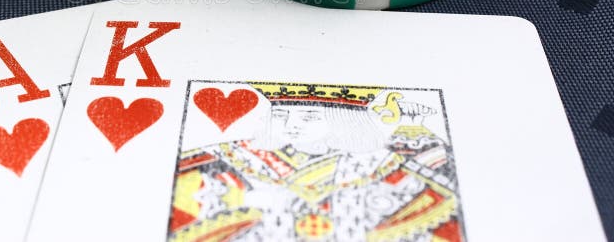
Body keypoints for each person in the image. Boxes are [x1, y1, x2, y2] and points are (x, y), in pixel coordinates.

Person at [168, 83, 463, 242]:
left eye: (308, 116)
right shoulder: (233, 158)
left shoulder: (385, 166)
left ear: (344, 123)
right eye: (283, 115)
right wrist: (249, 201)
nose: (293, 125)